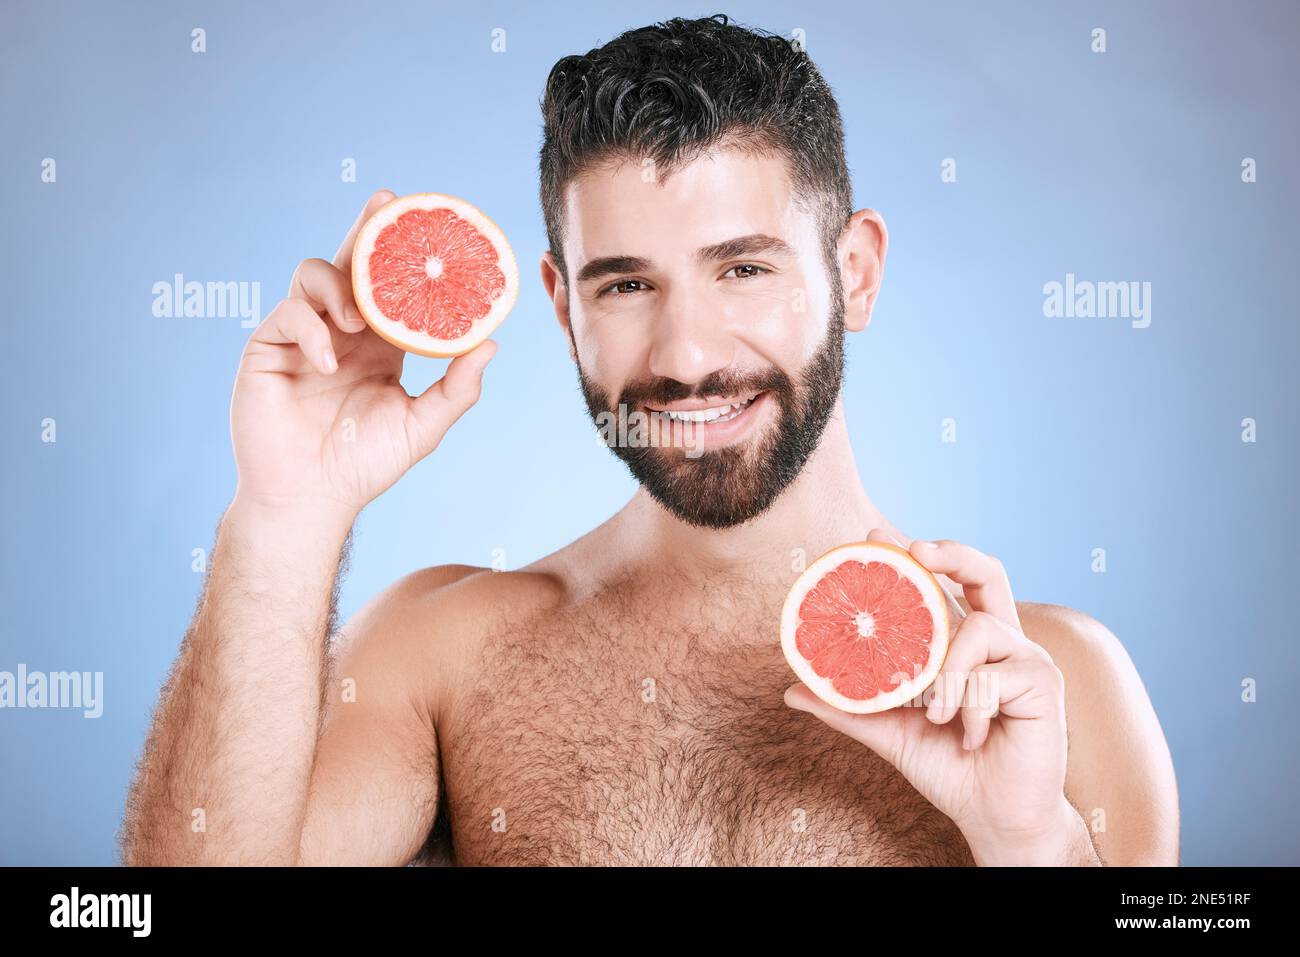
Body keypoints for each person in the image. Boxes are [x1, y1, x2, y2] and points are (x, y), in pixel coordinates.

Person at [121, 14, 1178, 866]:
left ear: (853, 272)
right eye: (626, 284)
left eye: (744, 268)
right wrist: (285, 515)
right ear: (561, 304)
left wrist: (1029, 846)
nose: (686, 353)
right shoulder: (438, 655)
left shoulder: (1051, 685)